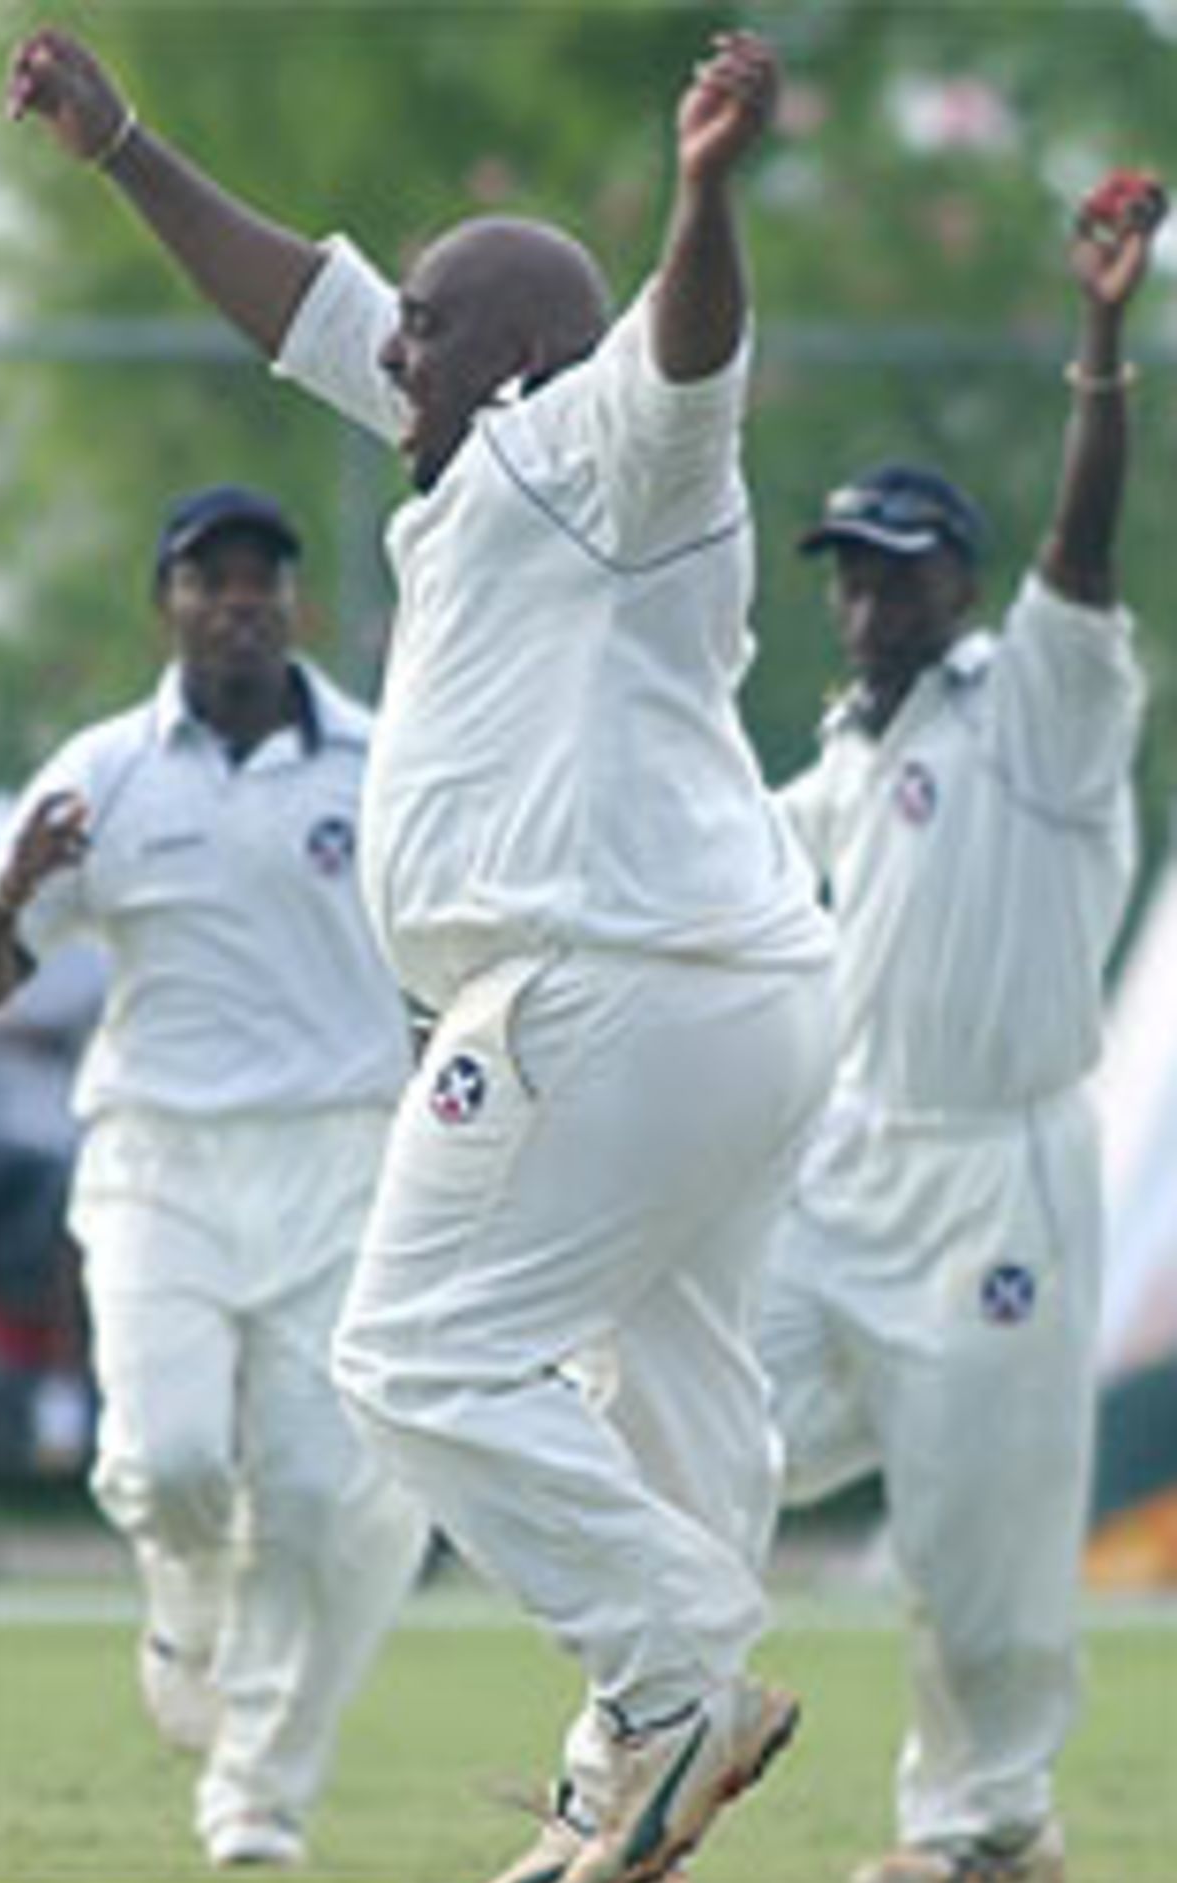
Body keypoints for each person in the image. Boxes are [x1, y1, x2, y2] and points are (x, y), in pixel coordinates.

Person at [5, 24, 837, 1883]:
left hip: (606, 978)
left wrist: (704, 196)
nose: (395, 343)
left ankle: (666, 1673)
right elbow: (303, 298)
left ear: (530, 356)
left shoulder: (613, 443)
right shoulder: (462, 467)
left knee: (403, 1361)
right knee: (684, 1397)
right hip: (739, 994)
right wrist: (127, 144)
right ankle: (626, 1778)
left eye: (432, 323)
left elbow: (692, 350)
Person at [756, 176, 1166, 1883]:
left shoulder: (1042, 707)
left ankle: (988, 1832)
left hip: (1004, 1166)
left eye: (900, 577)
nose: (868, 606)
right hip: (850, 1159)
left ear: (963, 589)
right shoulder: (843, 762)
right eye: (849, 577)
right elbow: (703, 887)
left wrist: (1098, 344)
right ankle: (644, 1733)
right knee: (698, 1421)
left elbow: (1082, 552)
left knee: (979, 1540)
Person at [0, 484, 429, 1871]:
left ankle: (259, 1797)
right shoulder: (106, 775)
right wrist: (8, 896)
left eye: (262, 579)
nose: (238, 602)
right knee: (168, 1461)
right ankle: (181, 1596)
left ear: (294, 603)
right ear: (167, 605)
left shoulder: (380, 760)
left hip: (340, 1162)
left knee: (310, 1495)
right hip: (159, 1164)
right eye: (208, 581)